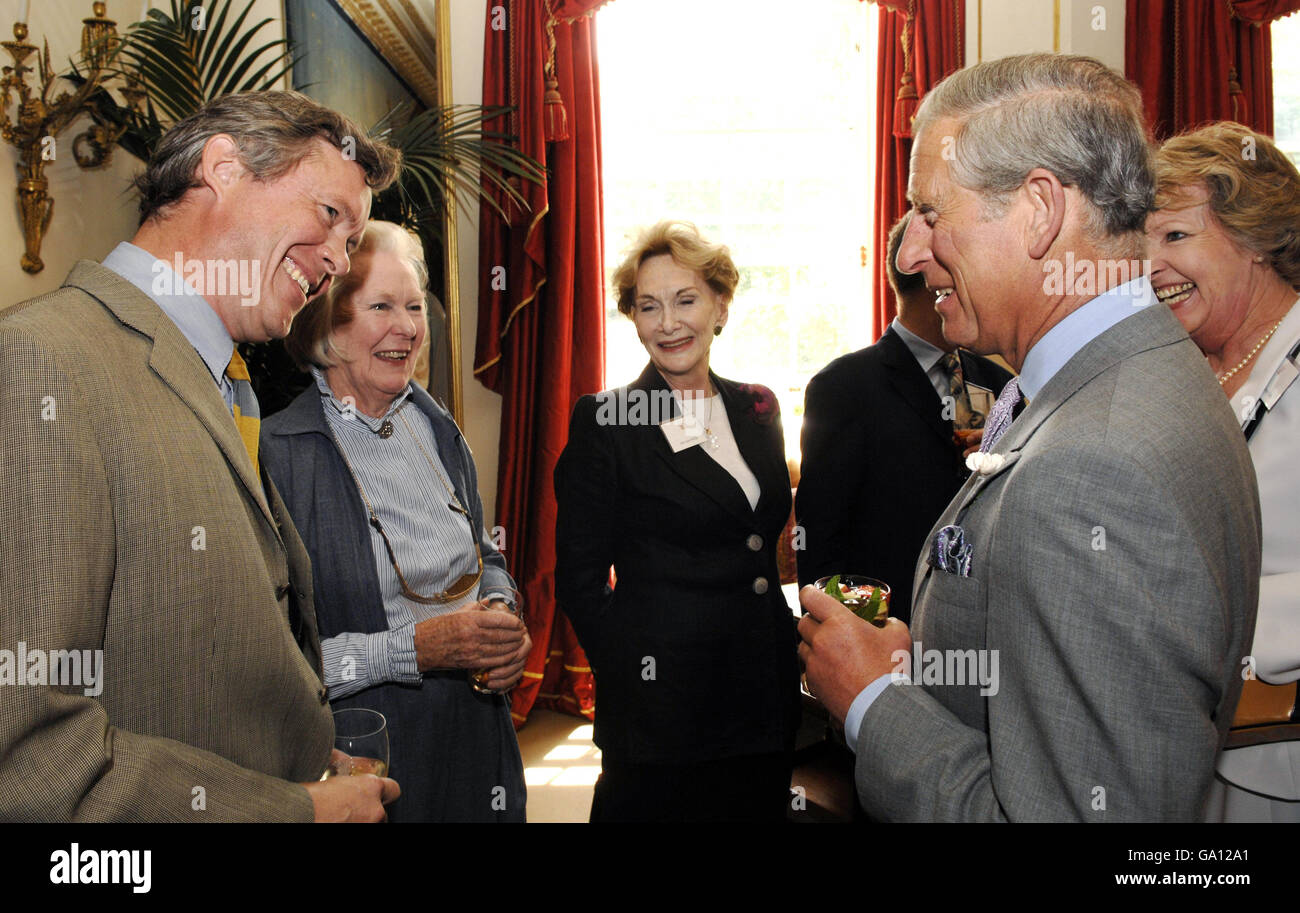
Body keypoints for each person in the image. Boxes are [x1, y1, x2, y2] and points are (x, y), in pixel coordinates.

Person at [798, 54, 1261, 821]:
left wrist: (875, 702)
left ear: (1041, 210)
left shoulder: (1091, 467)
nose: (911, 254)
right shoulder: (1148, 369)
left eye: (931, 213)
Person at [0, 91, 404, 821]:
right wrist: (295, 811)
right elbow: (30, 758)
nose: (341, 261)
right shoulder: (41, 359)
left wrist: (298, 754)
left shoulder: (230, 380)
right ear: (223, 167)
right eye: (331, 216)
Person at [262, 220, 529, 822]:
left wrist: (502, 616)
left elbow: (484, 553)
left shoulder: (433, 421)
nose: (408, 327)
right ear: (328, 324)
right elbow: (279, 661)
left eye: (413, 306)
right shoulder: (279, 453)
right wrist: (412, 650)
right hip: (368, 756)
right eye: (381, 305)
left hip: (480, 731)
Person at [554, 220, 802, 822]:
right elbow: (580, 580)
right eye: (648, 306)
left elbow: (759, 540)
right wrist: (632, 671)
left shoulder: (758, 407)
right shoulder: (607, 421)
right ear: (633, 320)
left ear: (720, 305)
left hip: (761, 695)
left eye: (686, 300)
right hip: (662, 711)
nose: (668, 323)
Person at [1146, 122, 1300, 822]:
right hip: (1177, 753)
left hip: (1275, 760)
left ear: (1259, 237)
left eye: (1175, 237)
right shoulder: (1177, 375)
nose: (1150, 265)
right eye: (1141, 241)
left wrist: (1211, 632)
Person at [796, 212, 1014, 623]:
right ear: (935, 279)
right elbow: (822, 535)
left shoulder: (999, 383)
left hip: (987, 624)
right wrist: (841, 634)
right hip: (890, 628)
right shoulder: (843, 387)